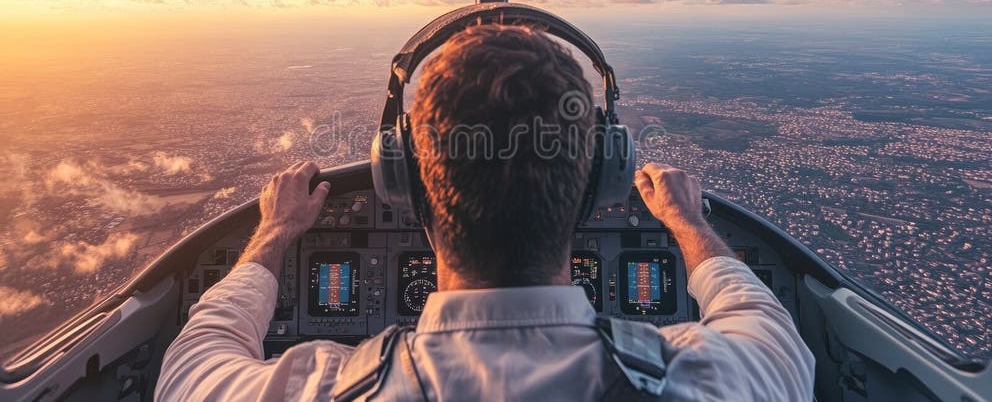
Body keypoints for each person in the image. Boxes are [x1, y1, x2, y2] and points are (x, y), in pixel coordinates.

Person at [156, 24, 815, 401]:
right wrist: (691, 228)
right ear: (597, 185)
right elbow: (765, 326)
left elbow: (193, 365)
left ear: (406, 183)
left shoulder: (331, 388)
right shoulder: (711, 382)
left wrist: (272, 236)